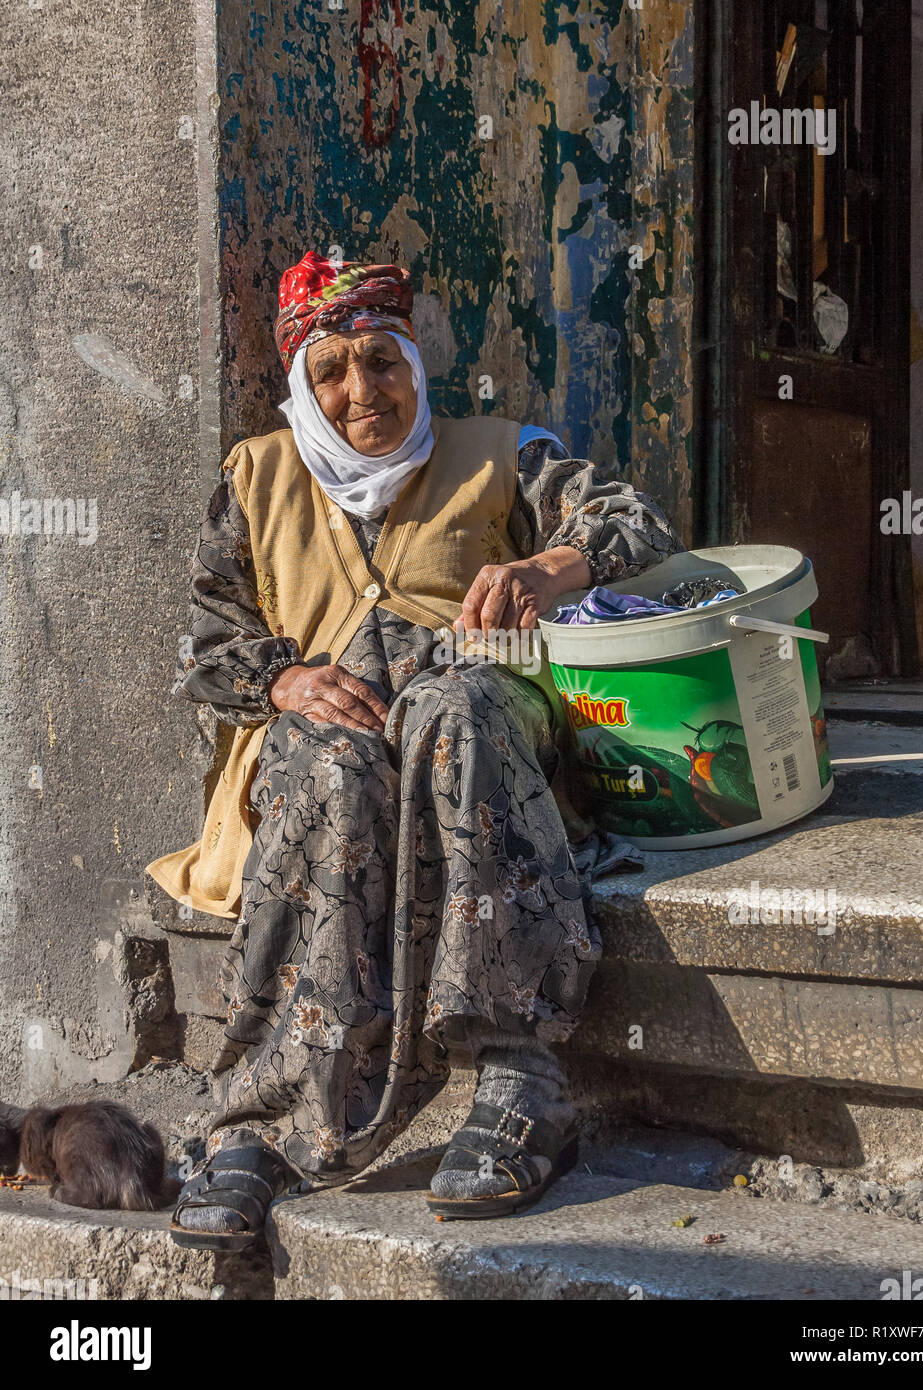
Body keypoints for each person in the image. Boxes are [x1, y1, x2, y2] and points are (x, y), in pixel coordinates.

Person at [149, 255, 684, 1248]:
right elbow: (202, 645)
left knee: (459, 708)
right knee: (330, 753)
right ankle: (260, 1120)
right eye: (334, 371)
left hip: (474, 735)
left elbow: (635, 521)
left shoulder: (500, 452)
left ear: (414, 361)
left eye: (382, 362)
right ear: (303, 385)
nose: (364, 392)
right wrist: (284, 680)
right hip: (332, 751)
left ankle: (520, 1075)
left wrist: (546, 564)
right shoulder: (255, 478)